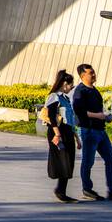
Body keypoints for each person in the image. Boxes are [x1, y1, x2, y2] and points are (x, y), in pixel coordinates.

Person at [72, 63, 112, 201]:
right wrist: (99, 116)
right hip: (88, 131)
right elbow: (79, 112)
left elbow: (98, 111)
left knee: (111, 159)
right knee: (88, 161)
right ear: (82, 76)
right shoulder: (80, 91)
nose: (93, 74)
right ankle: (87, 189)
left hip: (100, 131)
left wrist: (106, 117)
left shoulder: (95, 90)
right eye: (90, 73)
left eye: (93, 72)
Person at [42, 70, 78, 203]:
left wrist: (76, 137)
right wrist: (57, 134)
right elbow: (51, 116)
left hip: (67, 131)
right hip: (58, 132)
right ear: (64, 84)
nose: (71, 87)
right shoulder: (54, 97)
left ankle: (61, 190)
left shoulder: (65, 98)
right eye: (70, 85)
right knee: (63, 160)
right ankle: (60, 191)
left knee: (69, 161)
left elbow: (69, 119)